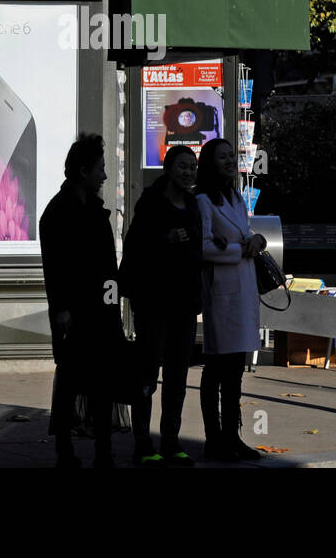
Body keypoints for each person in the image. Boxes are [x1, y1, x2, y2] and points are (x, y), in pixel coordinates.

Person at [39, 133, 123, 468]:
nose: (104, 176)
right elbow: (56, 267)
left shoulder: (91, 211)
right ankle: (66, 449)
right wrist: (61, 309)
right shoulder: (60, 212)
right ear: (84, 170)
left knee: (100, 381)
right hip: (75, 312)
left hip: (98, 312)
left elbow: (106, 269)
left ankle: (102, 450)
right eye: (100, 169)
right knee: (72, 379)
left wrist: (112, 304)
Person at [119, 144, 202, 467]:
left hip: (183, 303)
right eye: (182, 166)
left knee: (178, 377)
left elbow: (197, 251)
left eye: (193, 167)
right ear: (168, 169)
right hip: (153, 302)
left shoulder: (193, 205)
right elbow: (135, 247)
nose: (189, 172)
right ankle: (142, 443)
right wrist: (166, 240)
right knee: (147, 374)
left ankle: (171, 441)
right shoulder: (151, 203)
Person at [195, 137, 265, 462]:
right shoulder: (203, 201)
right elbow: (204, 247)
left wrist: (257, 241)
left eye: (230, 156)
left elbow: (243, 233)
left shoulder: (235, 196)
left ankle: (231, 436)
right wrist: (239, 250)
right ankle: (214, 438)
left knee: (235, 371)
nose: (227, 161)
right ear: (209, 162)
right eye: (221, 157)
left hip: (243, 291)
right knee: (216, 370)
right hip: (221, 294)